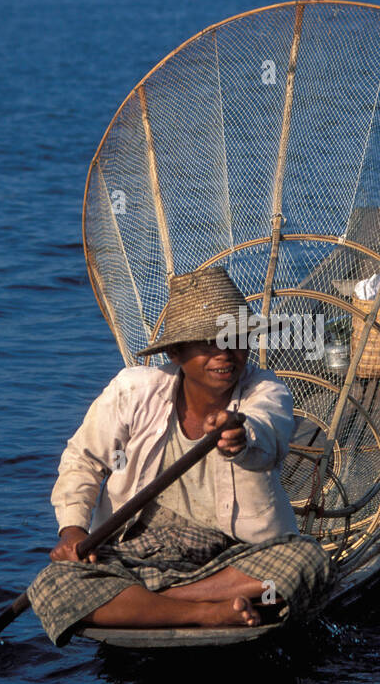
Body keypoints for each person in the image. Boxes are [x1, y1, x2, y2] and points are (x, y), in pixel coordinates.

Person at [27, 267, 332, 646]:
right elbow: (83, 459)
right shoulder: (134, 391)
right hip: (134, 557)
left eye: (235, 339)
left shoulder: (265, 391)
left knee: (307, 561)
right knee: (52, 583)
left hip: (228, 561)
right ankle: (205, 613)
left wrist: (239, 435)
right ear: (176, 352)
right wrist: (73, 531)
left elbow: (266, 434)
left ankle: (145, 607)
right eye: (208, 343)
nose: (225, 354)